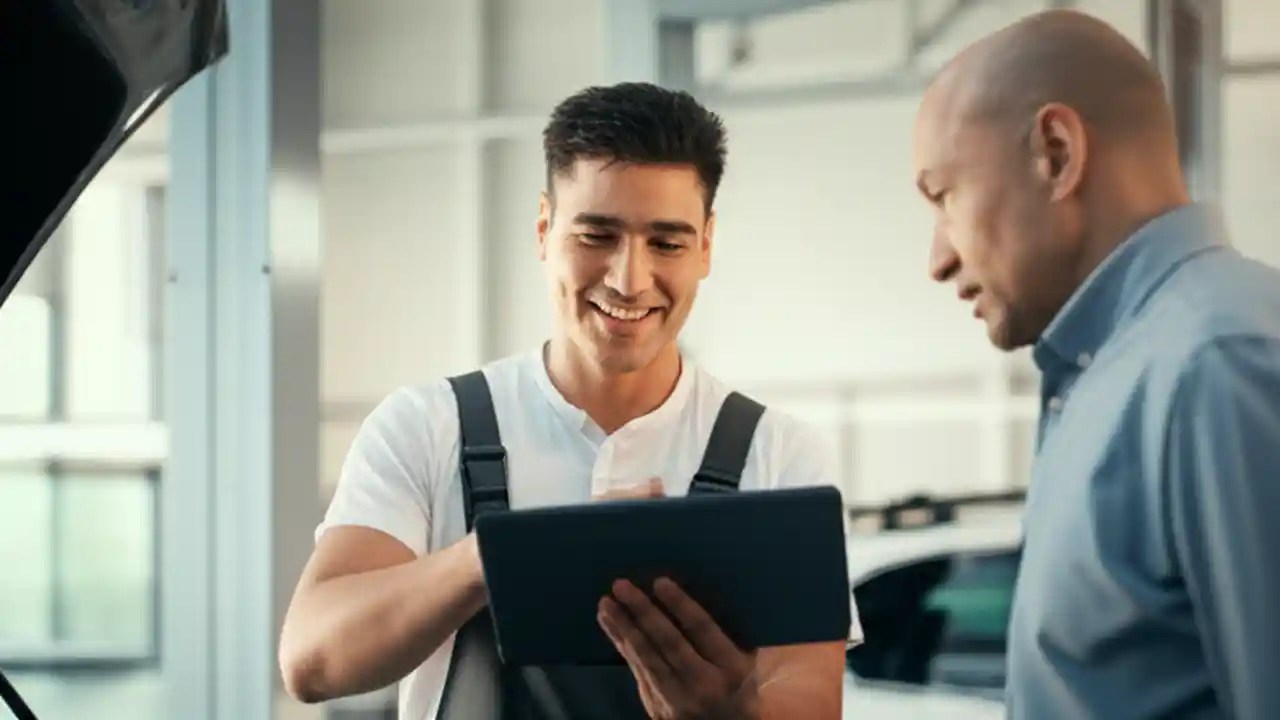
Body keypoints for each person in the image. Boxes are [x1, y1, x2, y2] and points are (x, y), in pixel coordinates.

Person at [278, 81, 858, 719]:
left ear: (707, 247)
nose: (628, 279)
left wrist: (724, 713)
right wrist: (504, 552)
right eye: (596, 235)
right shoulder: (427, 426)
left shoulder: (778, 457)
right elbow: (312, 659)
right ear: (544, 230)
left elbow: (812, 706)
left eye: (666, 242)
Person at [912, 9, 1280, 720]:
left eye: (944, 197)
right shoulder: (1113, 373)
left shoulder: (1219, 362)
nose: (938, 259)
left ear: (1055, 152)